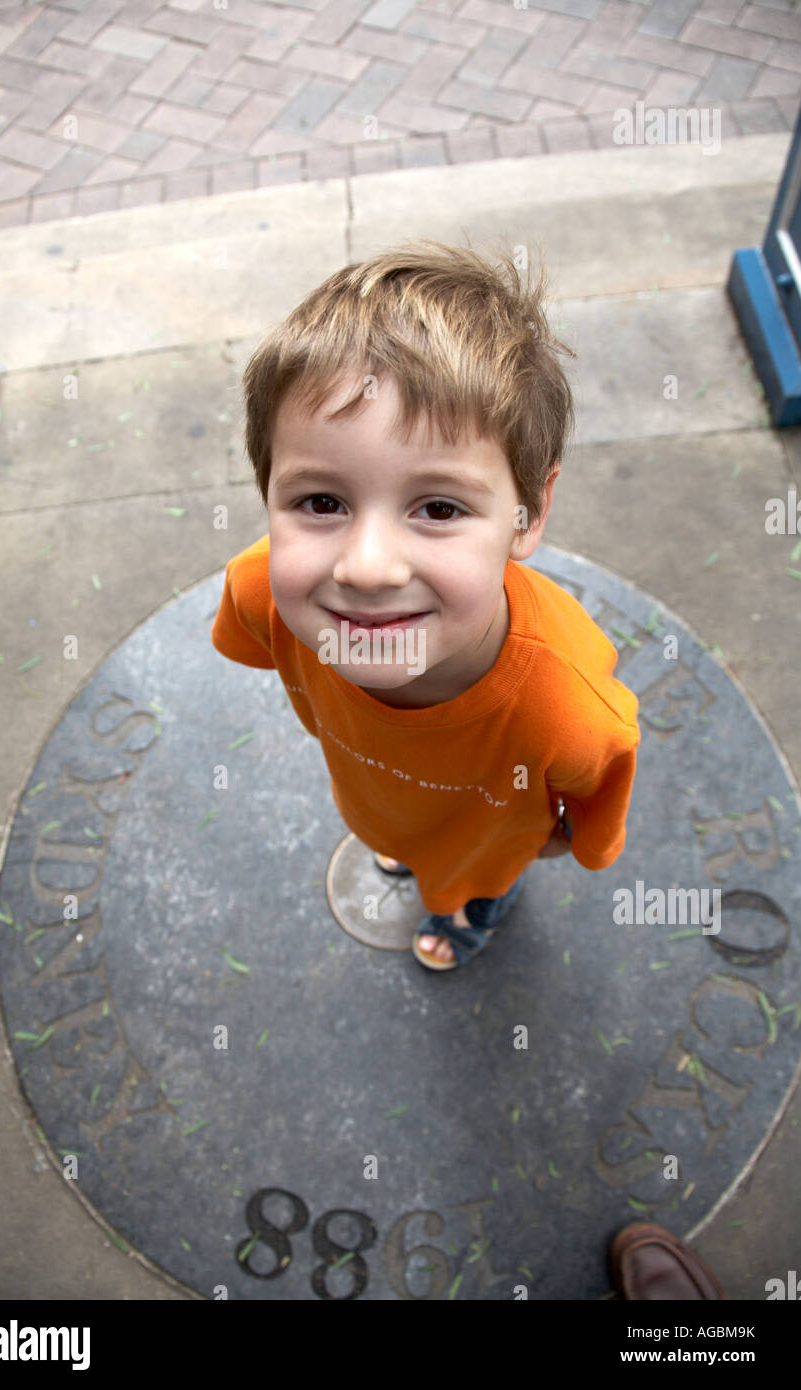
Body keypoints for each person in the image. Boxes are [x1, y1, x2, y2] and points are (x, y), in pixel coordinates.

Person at [211, 238, 640, 970]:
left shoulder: (562, 705)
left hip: (485, 840)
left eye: (438, 508)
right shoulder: (261, 592)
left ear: (529, 512)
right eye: (321, 501)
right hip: (376, 800)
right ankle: (409, 855)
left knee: (467, 886)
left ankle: (470, 919)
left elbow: (593, 801)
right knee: (406, 841)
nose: (369, 568)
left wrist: (578, 843)